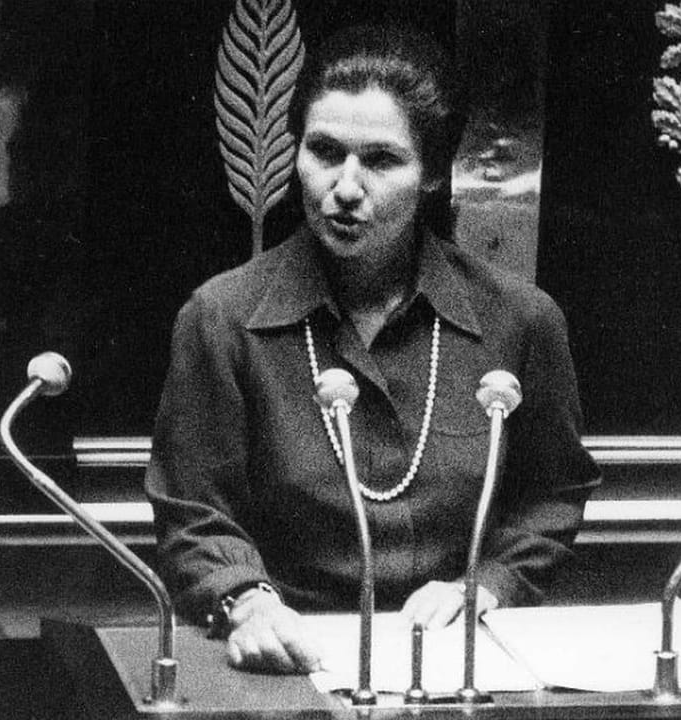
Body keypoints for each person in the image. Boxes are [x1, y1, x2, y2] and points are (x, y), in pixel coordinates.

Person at [145, 23, 601, 675]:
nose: (347, 187)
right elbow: (194, 513)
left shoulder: (520, 320)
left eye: (382, 160)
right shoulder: (220, 319)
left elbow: (553, 494)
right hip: (288, 657)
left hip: (462, 659)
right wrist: (247, 603)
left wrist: (491, 585)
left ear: (435, 174)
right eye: (324, 151)